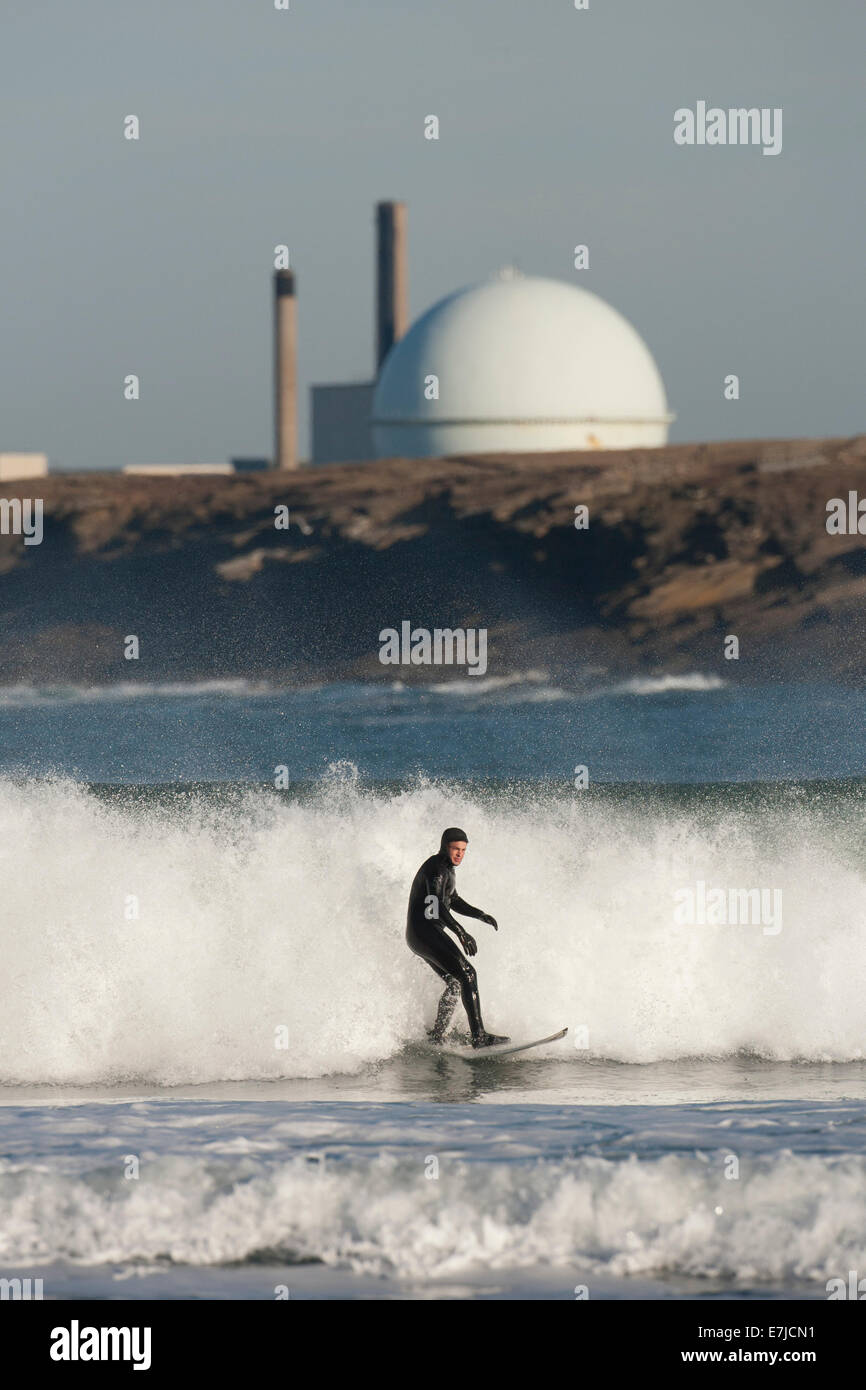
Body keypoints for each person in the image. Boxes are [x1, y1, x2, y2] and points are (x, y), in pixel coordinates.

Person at [406, 827, 509, 1048]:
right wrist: (461, 933)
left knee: (455, 981)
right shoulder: (436, 869)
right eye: (455, 849)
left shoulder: (446, 869)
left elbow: (452, 900)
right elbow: (434, 905)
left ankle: (437, 1035)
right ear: (445, 847)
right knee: (468, 974)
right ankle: (479, 1036)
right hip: (425, 931)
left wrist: (480, 915)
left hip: (420, 934)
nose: (460, 854)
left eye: (463, 850)